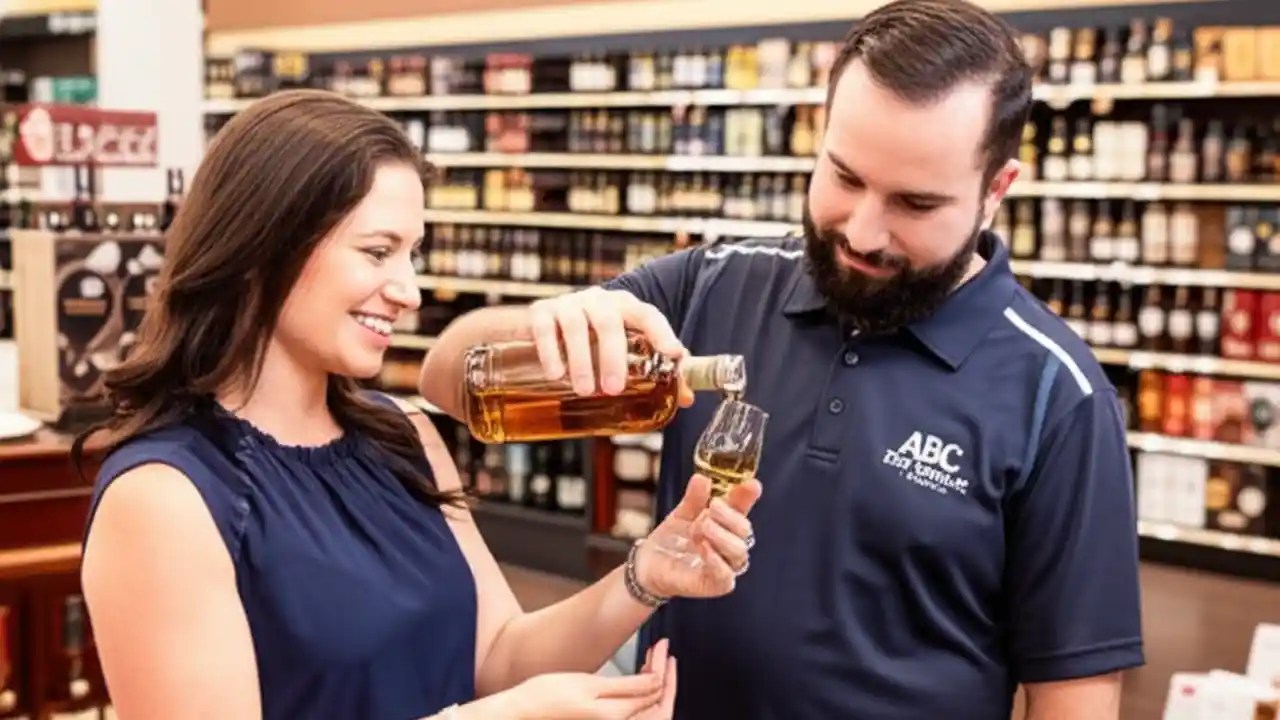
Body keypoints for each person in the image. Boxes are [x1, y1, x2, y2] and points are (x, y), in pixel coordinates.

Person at [418, 1, 1145, 718]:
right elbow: (445, 378)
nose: (863, 232)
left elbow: (1073, 694)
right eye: (845, 177)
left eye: (915, 204)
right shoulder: (715, 286)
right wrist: (554, 322)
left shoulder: (1058, 394)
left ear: (996, 191)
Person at [74, 89, 764, 720]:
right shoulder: (164, 498)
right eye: (378, 252)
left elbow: (498, 657)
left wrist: (644, 575)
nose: (408, 289)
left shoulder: (402, 436)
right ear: (265, 246)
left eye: (412, 254)